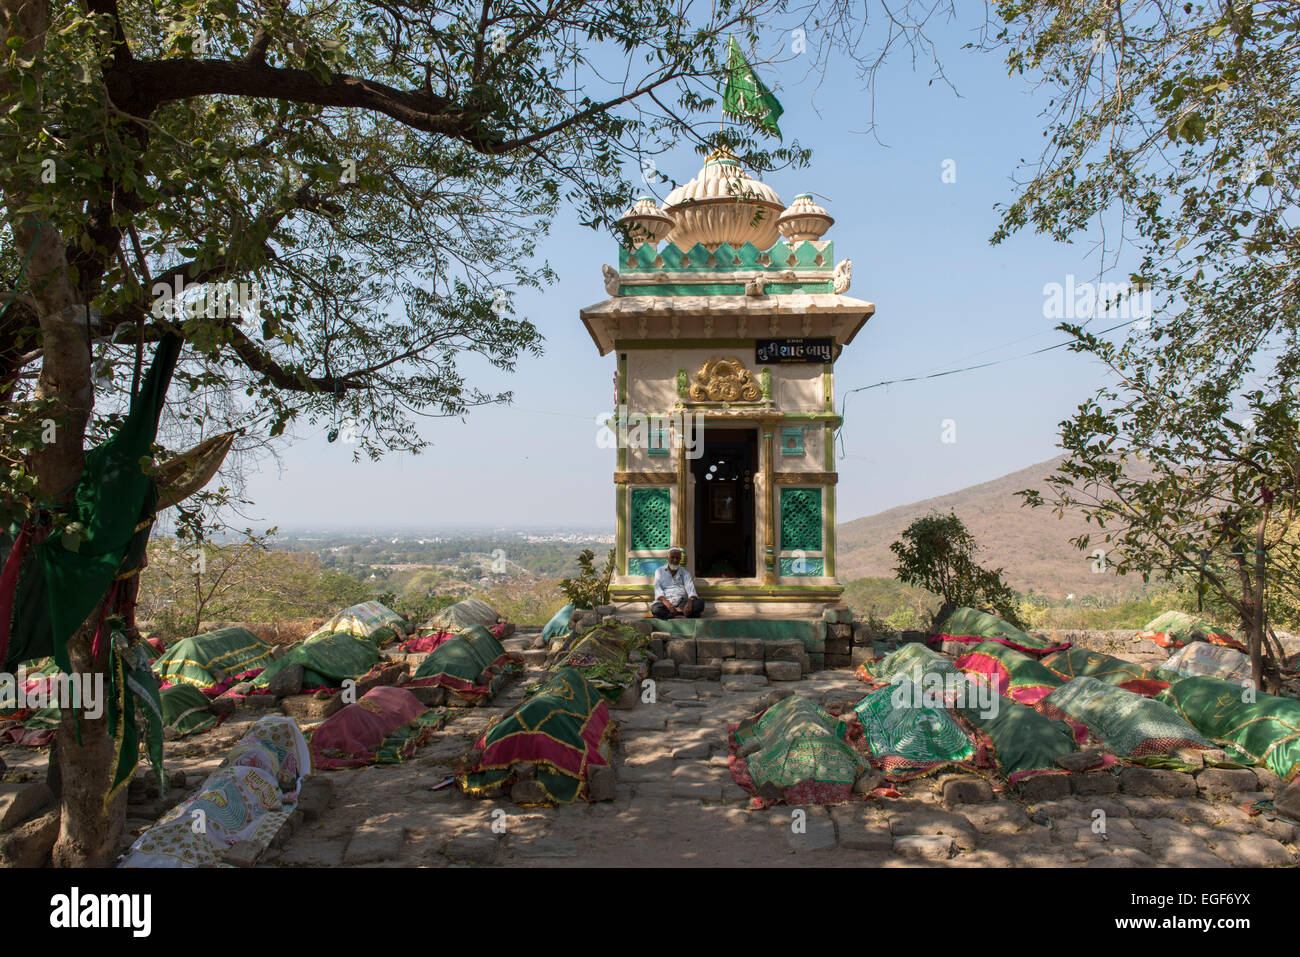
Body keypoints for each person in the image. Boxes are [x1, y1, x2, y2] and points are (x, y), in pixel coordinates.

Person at [651, 548, 704, 619]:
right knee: (656, 609)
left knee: (699, 604)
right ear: (667, 558)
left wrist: (690, 602)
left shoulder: (685, 572)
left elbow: (691, 590)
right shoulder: (659, 571)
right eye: (672, 557)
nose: (675, 560)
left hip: (682, 602)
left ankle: (674, 613)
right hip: (666, 602)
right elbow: (658, 589)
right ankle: (684, 613)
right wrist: (667, 604)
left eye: (677, 558)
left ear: (680, 559)